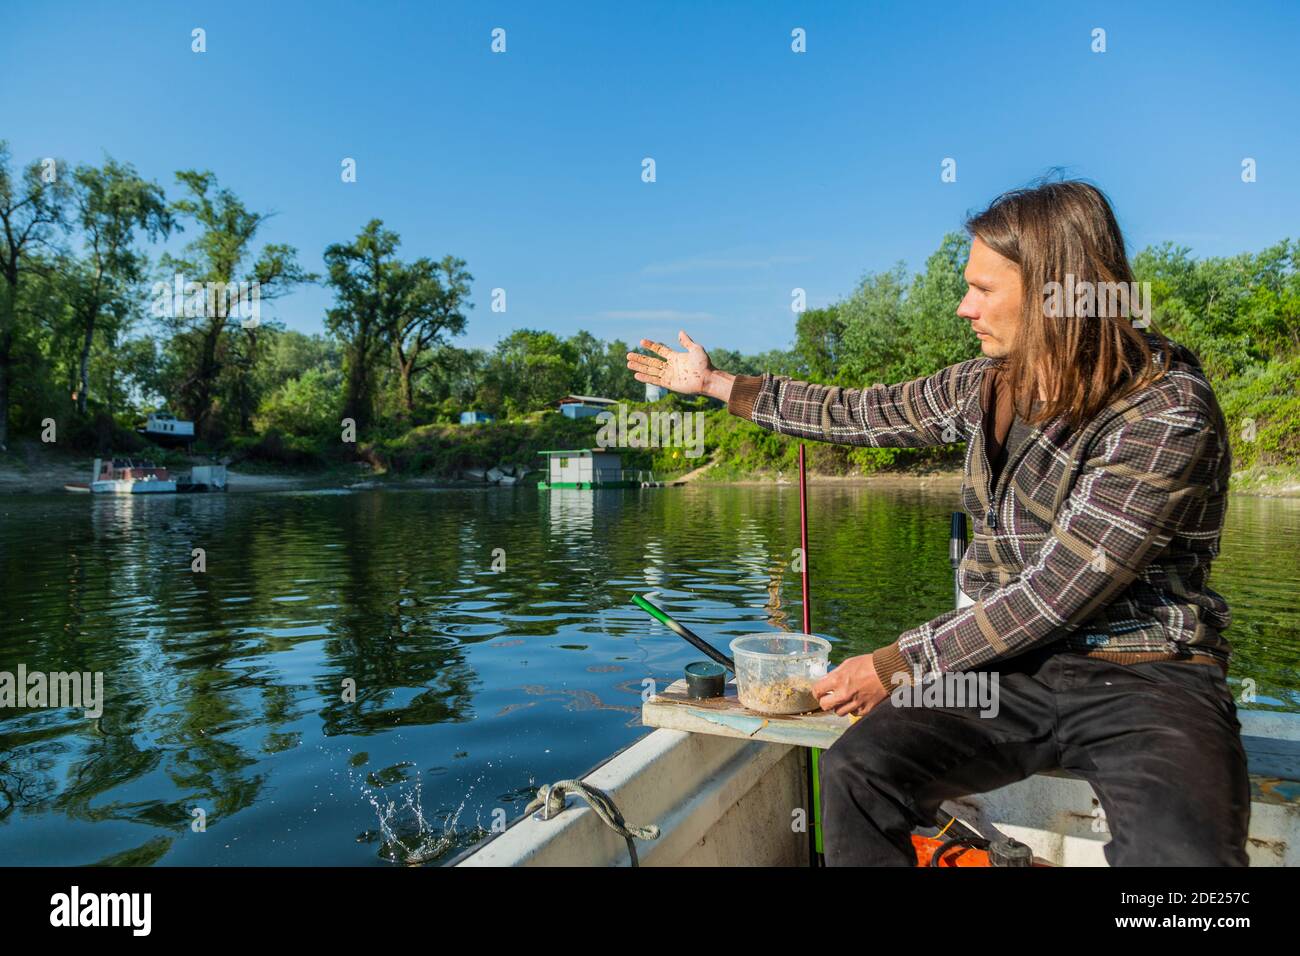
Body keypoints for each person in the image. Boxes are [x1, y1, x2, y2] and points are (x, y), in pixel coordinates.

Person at [625, 179, 1249, 866]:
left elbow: (1055, 592)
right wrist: (718, 386)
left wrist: (896, 665)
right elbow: (859, 411)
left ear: (1054, 289)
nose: (963, 307)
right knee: (858, 774)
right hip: (1007, 671)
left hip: (1147, 674)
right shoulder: (990, 383)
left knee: (1187, 864)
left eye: (982, 289)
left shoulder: (1165, 410)